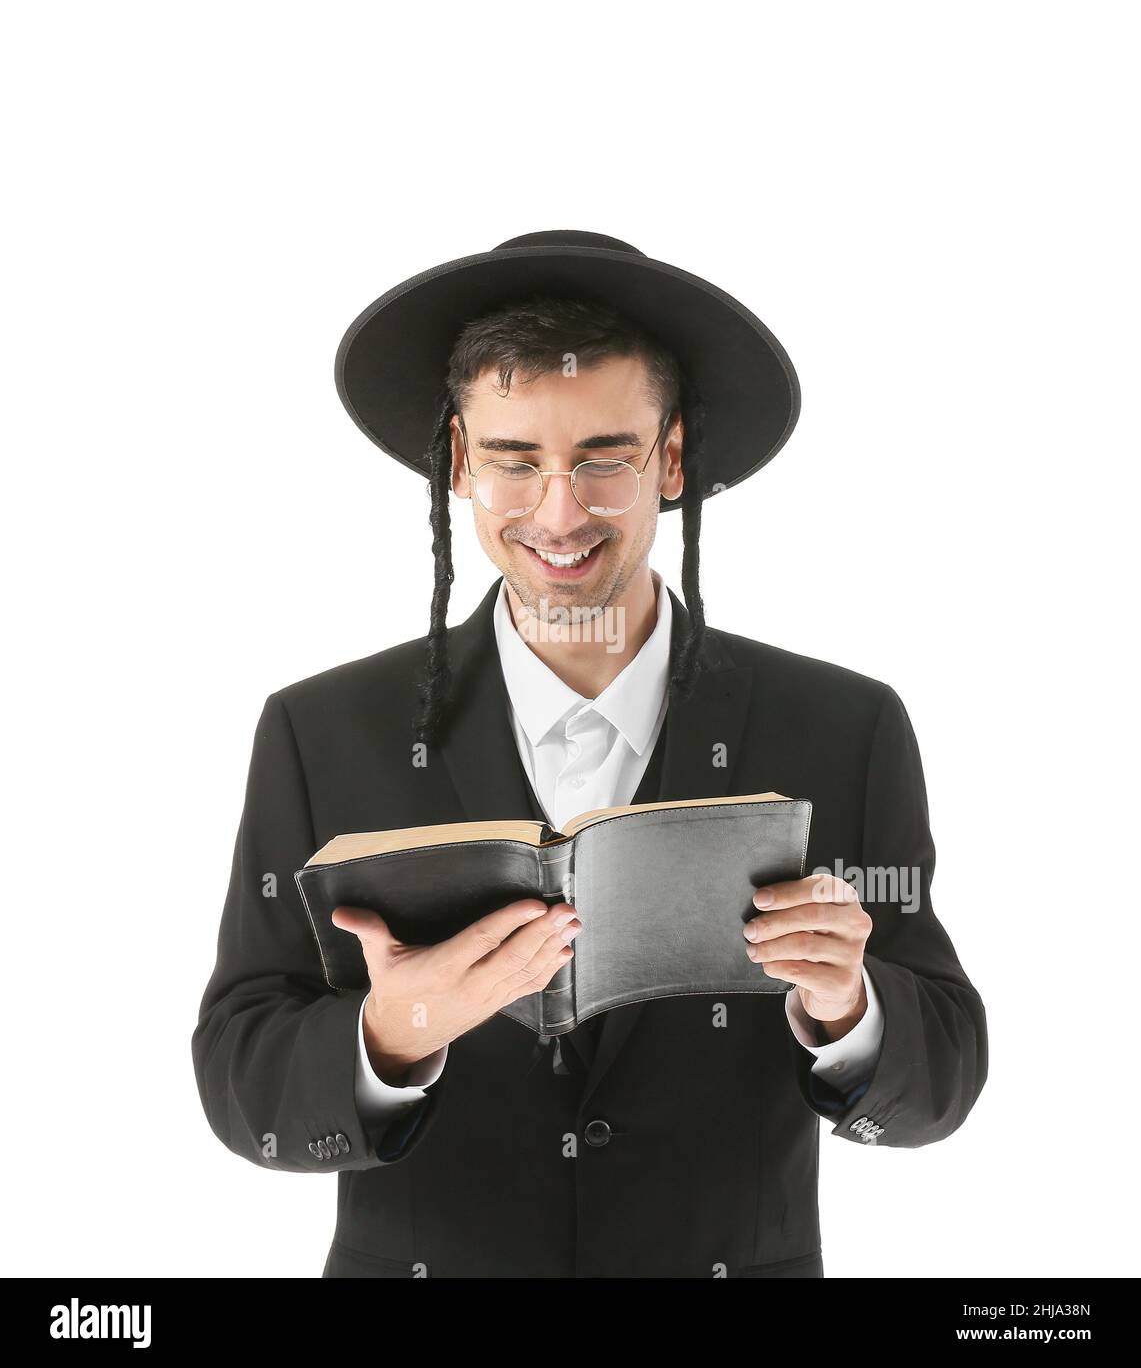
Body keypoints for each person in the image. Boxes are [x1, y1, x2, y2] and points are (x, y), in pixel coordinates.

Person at [192, 230, 988, 1278]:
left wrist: (848, 1005)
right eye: (514, 461)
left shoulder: (842, 726)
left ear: (670, 460)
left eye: (604, 458)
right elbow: (239, 1080)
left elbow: (938, 1091)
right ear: (460, 464)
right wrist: (389, 1031)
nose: (558, 514)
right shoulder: (319, 728)